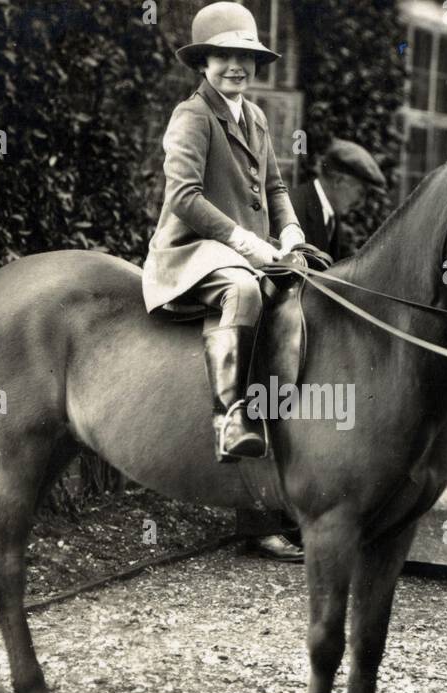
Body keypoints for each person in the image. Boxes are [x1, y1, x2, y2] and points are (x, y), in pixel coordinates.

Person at [142, 1, 305, 462]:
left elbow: (274, 186)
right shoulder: (191, 116)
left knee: (309, 283)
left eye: (245, 57)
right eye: (222, 56)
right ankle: (229, 419)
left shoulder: (255, 116)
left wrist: (290, 230)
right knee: (243, 291)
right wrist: (243, 240)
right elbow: (184, 197)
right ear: (203, 62)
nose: (236, 67)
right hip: (193, 249)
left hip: (247, 249)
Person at [237, 137, 386, 562]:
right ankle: (259, 527)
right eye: (358, 189)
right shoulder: (298, 208)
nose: (359, 201)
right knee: (266, 406)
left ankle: (293, 516)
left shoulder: (329, 216)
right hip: (271, 325)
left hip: (301, 328)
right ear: (337, 179)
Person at [291, 138, 386, 260]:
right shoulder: (293, 210)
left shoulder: (330, 216)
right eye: (360, 192)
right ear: (339, 180)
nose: (361, 203)